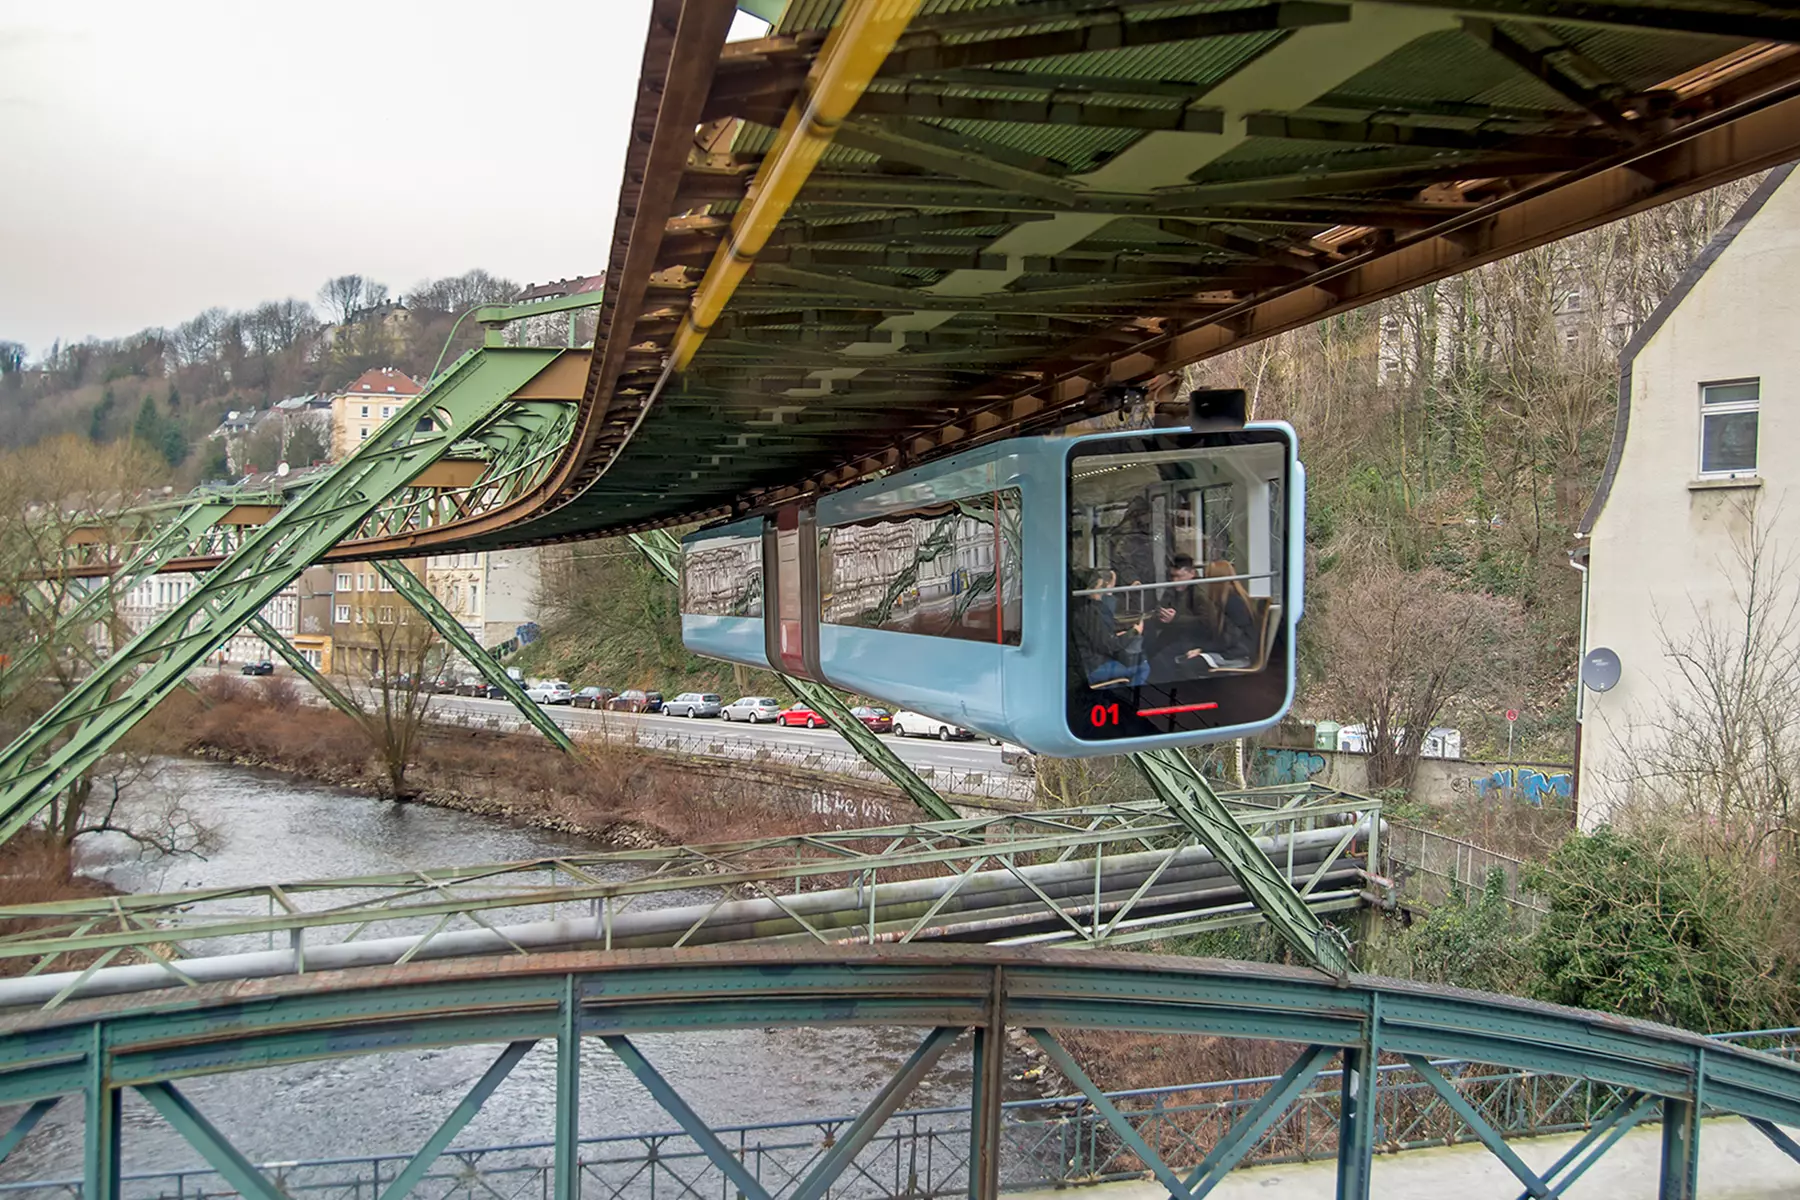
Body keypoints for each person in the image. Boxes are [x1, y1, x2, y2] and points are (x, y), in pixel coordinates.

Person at [1071, 570, 1148, 688]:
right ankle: (1129, 701)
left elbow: (1101, 637)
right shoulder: (1090, 612)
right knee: (1142, 668)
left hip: (1084, 662)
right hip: (1093, 666)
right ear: (1096, 586)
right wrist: (1134, 632)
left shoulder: (1079, 607)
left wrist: (1120, 635)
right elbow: (1109, 646)